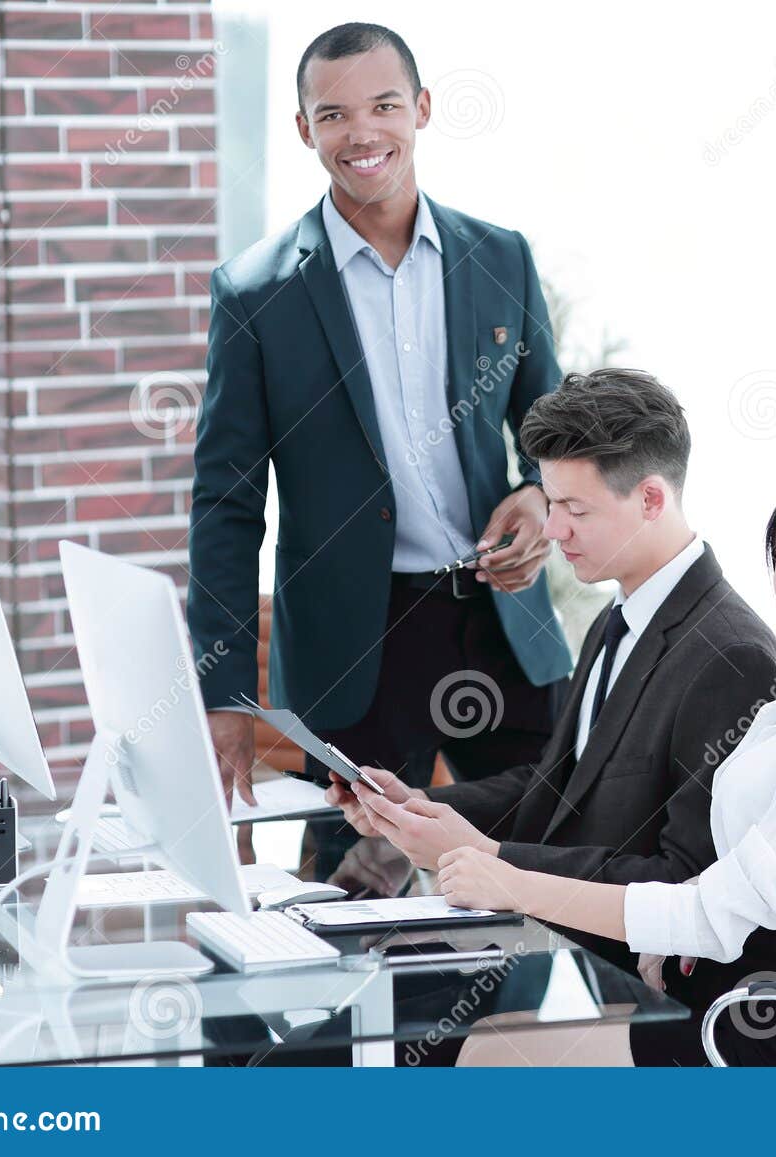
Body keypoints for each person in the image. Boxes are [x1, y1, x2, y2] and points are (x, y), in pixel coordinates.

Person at [186, 23, 574, 878]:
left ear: (422, 109)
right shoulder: (256, 295)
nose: (362, 133)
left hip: (502, 624)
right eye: (334, 114)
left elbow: (554, 430)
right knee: (349, 896)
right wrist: (223, 695)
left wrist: (540, 492)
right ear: (304, 129)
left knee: (560, 859)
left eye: (384, 106)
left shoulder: (501, 258)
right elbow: (226, 505)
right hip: (356, 648)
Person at [427, 465, 776, 1066]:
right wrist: (674, 929)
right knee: (492, 1041)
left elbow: (715, 913)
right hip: (744, 992)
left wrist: (515, 885)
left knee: (496, 1052)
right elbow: (750, 874)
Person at [331, 369, 776, 975]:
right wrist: (418, 808)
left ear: (651, 500)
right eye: (551, 503)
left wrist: (491, 858)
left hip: (630, 983)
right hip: (559, 953)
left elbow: (685, 883)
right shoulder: (615, 619)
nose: (552, 529)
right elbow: (558, 785)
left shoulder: (733, 658)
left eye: (575, 509)